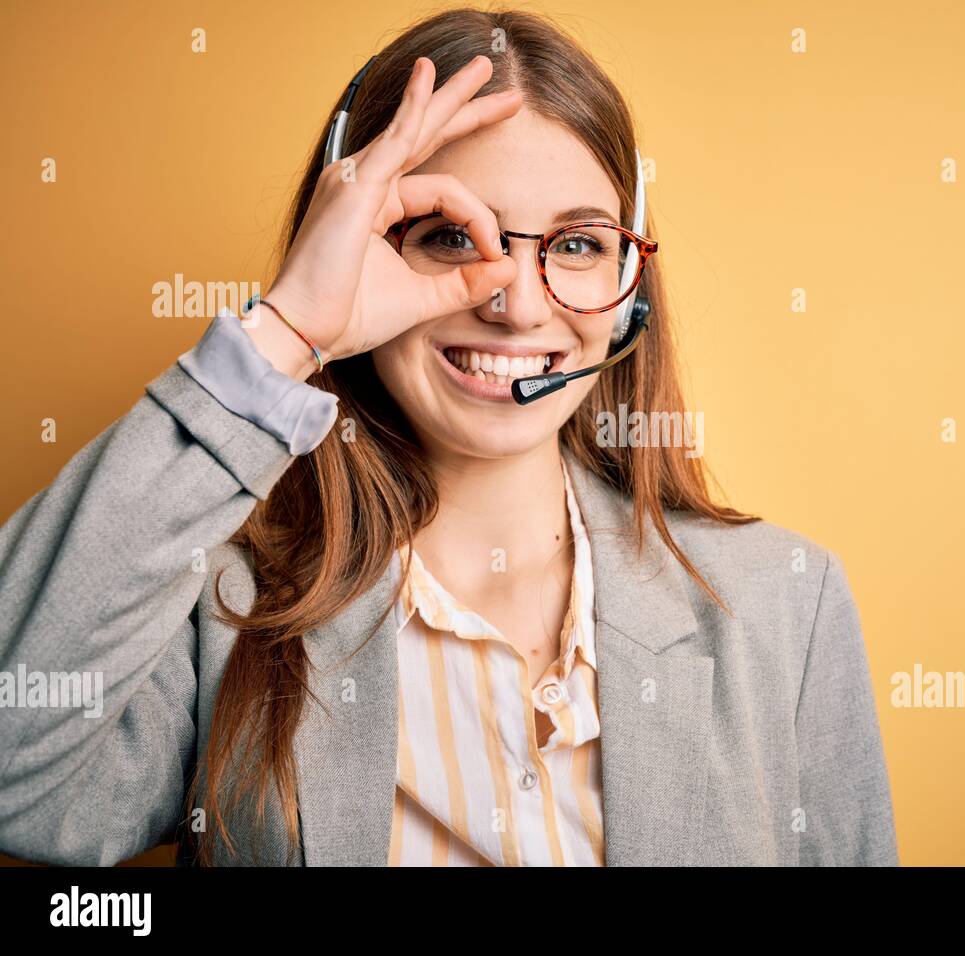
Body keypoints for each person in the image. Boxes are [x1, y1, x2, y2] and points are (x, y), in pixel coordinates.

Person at [0, 7, 897, 867]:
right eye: (447, 235)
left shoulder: (788, 604)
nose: (517, 303)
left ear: (630, 284)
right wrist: (290, 330)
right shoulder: (217, 606)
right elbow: (14, 775)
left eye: (578, 245)